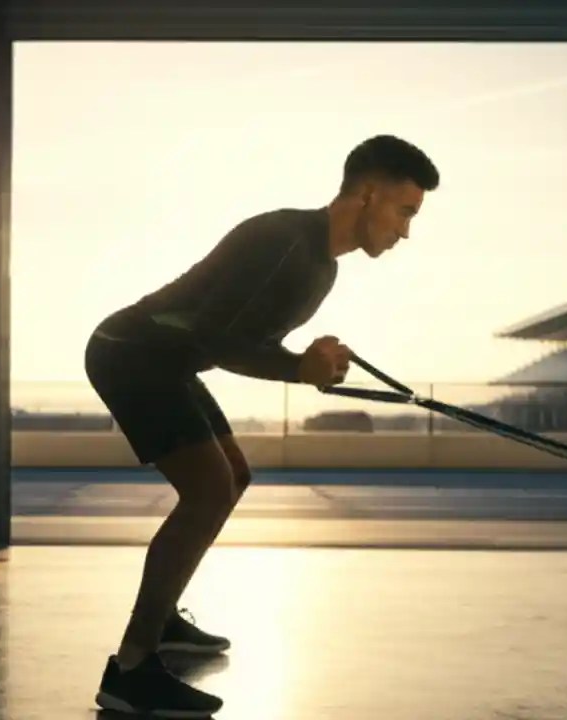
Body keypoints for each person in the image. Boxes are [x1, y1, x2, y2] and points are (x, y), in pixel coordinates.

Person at [87, 134, 440, 717]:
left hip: (167, 361)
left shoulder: (321, 267)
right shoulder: (282, 240)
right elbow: (220, 341)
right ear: (368, 194)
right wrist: (301, 368)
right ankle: (129, 669)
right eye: (404, 212)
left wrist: (310, 362)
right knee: (208, 490)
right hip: (129, 353)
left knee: (233, 475)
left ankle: (163, 616)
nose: (405, 231)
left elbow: (250, 342)